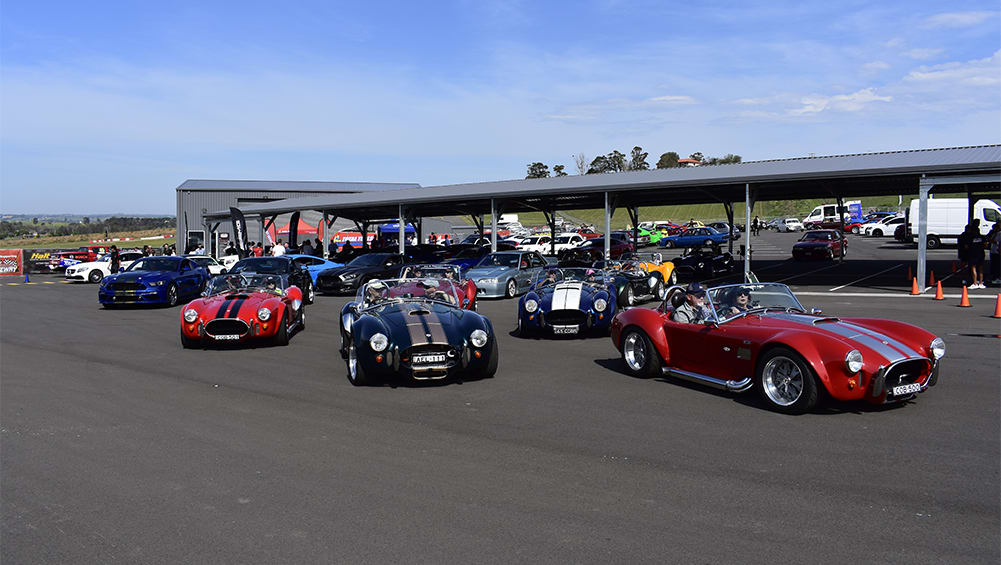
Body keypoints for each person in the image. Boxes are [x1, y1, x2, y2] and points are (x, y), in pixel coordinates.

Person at [967, 220, 986, 289]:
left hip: (973, 254)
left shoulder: (970, 238)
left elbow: (966, 246)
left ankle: (975, 283)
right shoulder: (982, 237)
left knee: (973, 268)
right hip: (981, 253)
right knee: (981, 268)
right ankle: (981, 283)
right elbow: (985, 245)